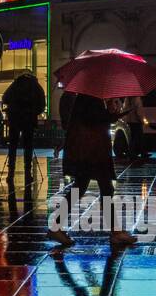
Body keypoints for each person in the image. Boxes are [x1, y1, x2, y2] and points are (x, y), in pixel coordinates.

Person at [51, 91, 136, 250]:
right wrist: (112, 114)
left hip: (89, 150)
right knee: (103, 189)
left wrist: (109, 112)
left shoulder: (88, 97)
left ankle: (56, 226)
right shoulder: (90, 98)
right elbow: (94, 120)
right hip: (92, 152)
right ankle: (115, 232)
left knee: (89, 188)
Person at [1, 72, 45, 180]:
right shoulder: (36, 87)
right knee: (28, 146)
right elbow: (42, 106)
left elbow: (4, 98)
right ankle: (27, 172)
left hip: (14, 118)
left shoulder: (15, 85)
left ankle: (11, 172)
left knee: (13, 146)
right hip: (29, 120)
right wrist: (33, 112)